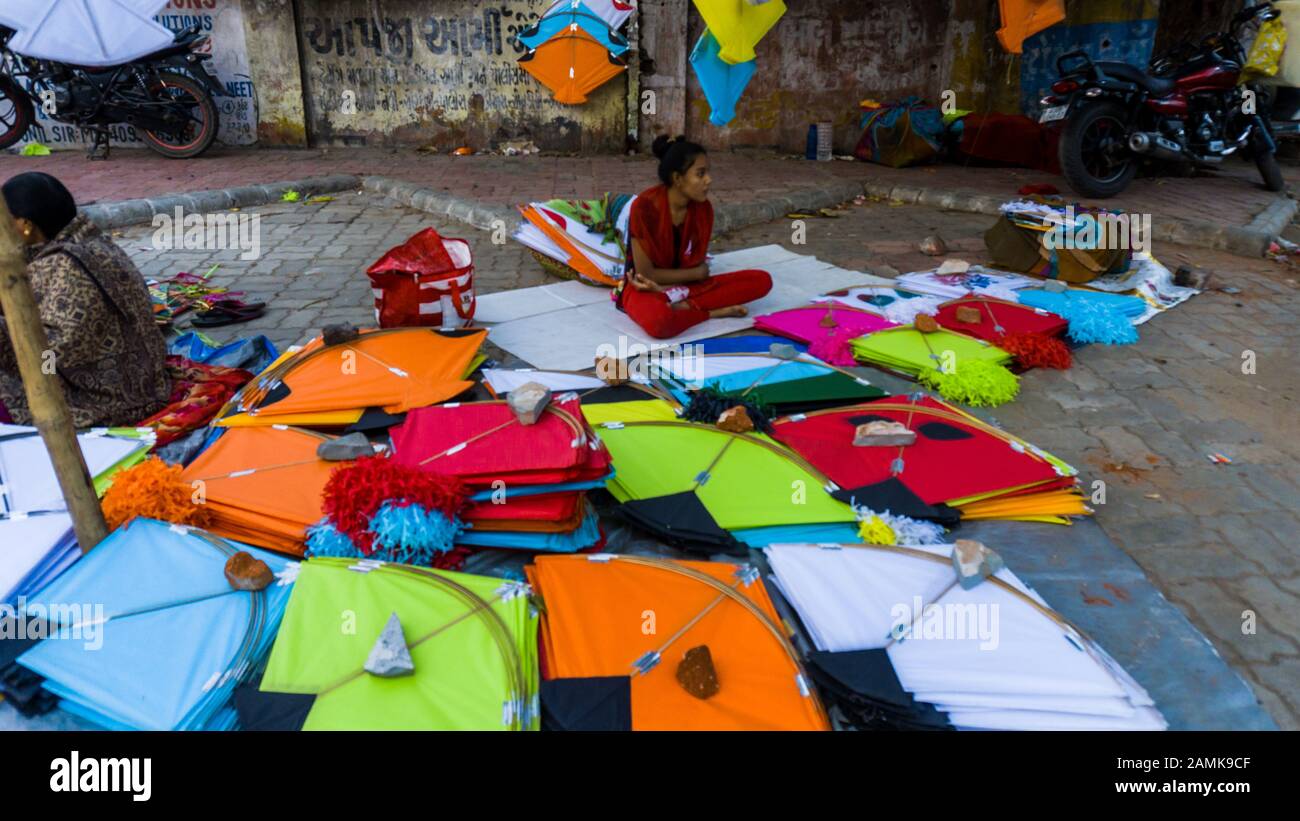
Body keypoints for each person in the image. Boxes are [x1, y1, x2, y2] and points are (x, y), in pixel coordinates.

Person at [0, 172, 170, 427]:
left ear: (25, 225)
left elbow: (50, 355)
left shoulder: (62, 266)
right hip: (148, 377)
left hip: (112, 397)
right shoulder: (90, 241)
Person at [617, 135, 771, 339]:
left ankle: (682, 307)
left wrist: (688, 281)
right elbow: (646, 274)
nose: (709, 180)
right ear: (678, 178)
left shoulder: (703, 209)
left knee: (761, 280)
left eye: (707, 172)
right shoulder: (644, 208)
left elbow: (696, 265)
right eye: (700, 174)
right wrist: (696, 275)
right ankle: (709, 312)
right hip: (645, 288)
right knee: (659, 322)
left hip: (687, 288)